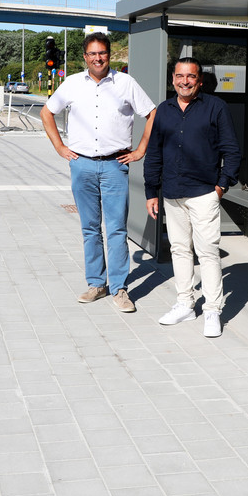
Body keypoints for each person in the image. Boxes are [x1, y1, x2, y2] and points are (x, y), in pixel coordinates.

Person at [41, 32, 157, 313]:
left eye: (102, 53)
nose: (97, 58)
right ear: (85, 57)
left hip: (115, 165)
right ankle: (97, 284)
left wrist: (141, 149)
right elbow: (47, 113)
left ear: (109, 54)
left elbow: (152, 113)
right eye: (92, 54)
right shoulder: (71, 84)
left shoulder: (125, 83)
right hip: (81, 165)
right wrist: (59, 147)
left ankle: (119, 289)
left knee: (116, 229)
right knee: (90, 229)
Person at [144, 57, 241, 338]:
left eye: (191, 76)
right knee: (179, 250)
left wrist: (221, 187)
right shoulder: (163, 110)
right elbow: (154, 154)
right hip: (172, 193)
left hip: (204, 193)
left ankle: (212, 310)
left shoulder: (216, 107)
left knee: (208, 252)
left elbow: (232, 151)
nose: (184, 81)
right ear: (172, 78)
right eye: (179, 75)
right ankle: (185, 304)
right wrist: (152, 191)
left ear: (199, 80)